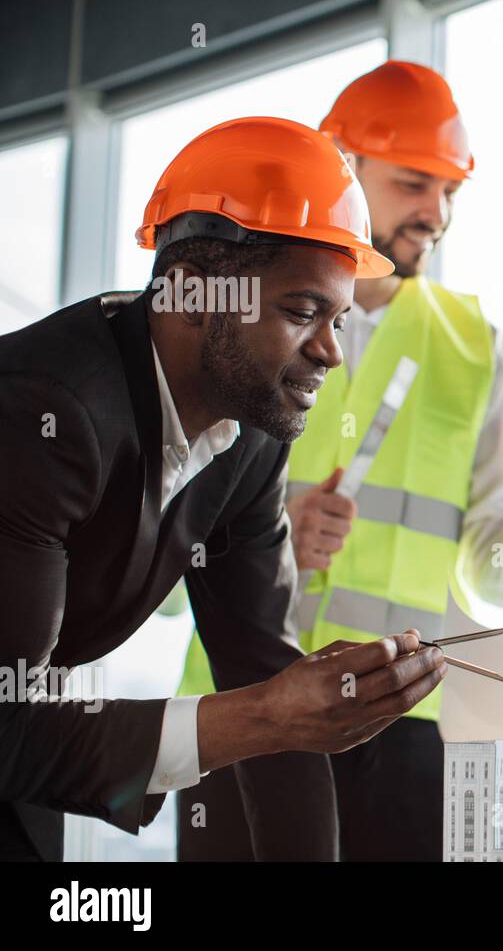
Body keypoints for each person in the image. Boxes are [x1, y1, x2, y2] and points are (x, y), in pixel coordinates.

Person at [0, 116, 447, 862]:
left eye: (337, 318)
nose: (331, 352)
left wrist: (282, 712)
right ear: (189, 293)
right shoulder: (43, 414)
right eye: (302, 312)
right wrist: (264, 716)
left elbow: (265, 670)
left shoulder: (253, 439)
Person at [176, 62, 503, 861]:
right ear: (342, 165)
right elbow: (155, 533)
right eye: (413, 185)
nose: (435, 214)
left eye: (449, 194)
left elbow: (492, 531)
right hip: (244, 704)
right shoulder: (240, 326)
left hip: (404, 718)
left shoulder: (476, 348)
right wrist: (272, 529)